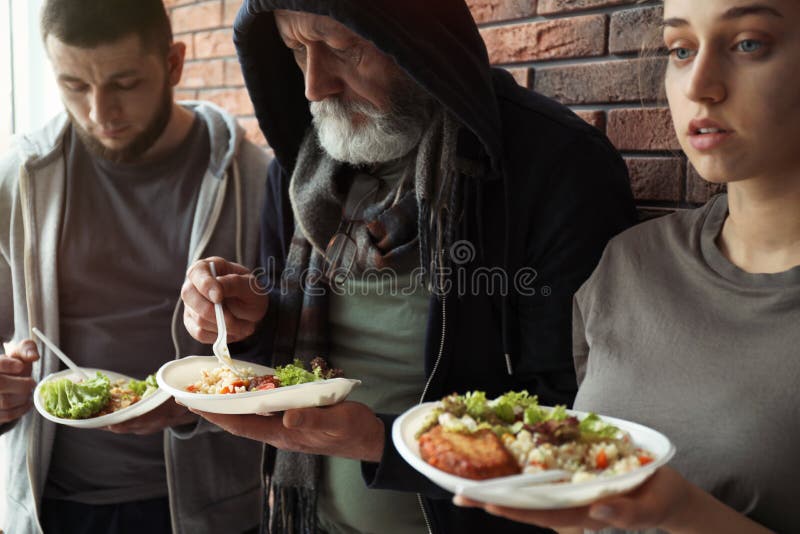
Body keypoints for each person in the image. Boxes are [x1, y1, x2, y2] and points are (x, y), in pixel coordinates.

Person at [181, 1, 637, 533]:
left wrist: (381, 442)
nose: (313, 85)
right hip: (310, 521)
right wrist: (246, 322)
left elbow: (578, 416)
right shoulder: (302, 170)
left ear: (418, 40)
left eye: (340, 48)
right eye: (296, 50)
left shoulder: (553, 167)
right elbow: (283, 371)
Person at [454, 0, 799, 532]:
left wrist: (682, 512)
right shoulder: (627, 264)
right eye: (681, 50)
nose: (698, 85)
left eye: (748, 43)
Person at [0, 1, 269, 533]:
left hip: (206, 511)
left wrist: (194, 408)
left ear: (173, 64)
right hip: (51, 508)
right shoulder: (17, 180)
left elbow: (290, 363)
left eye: (124, 84)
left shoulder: (257, 181)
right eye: (74, 85)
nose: (101, 112)